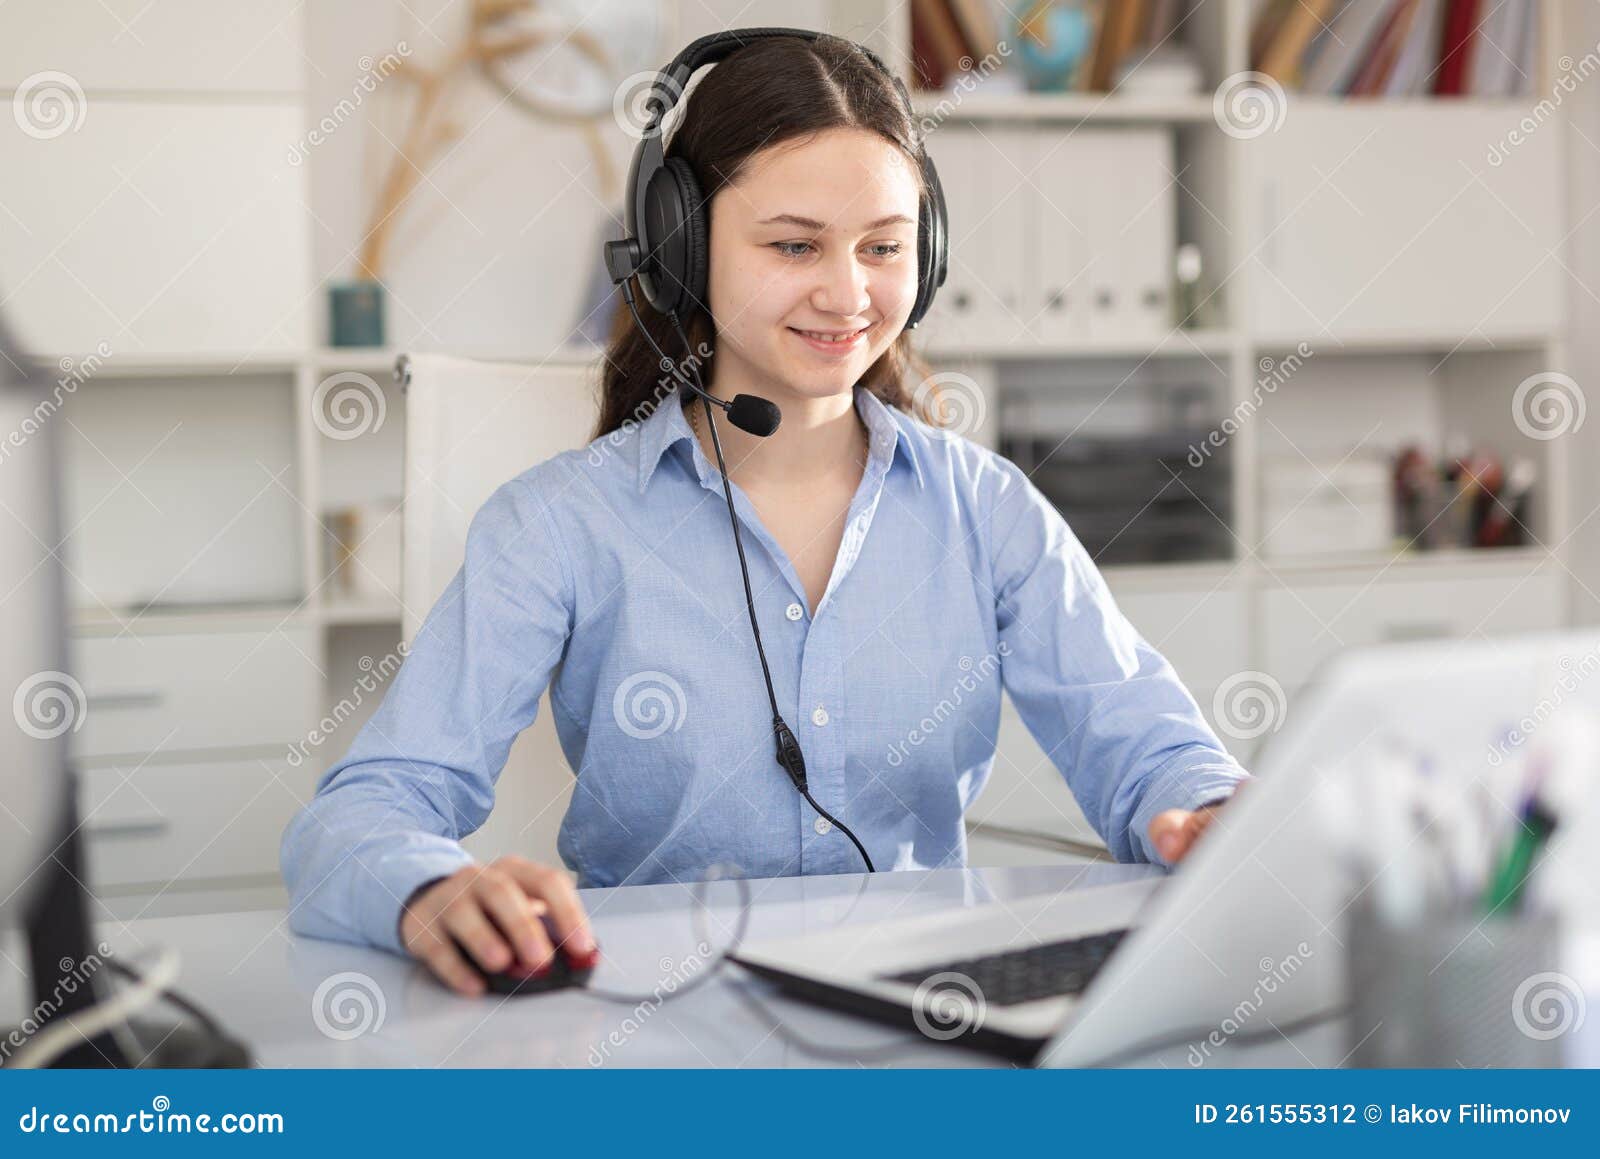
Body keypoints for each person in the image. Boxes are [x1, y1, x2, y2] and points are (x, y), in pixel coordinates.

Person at [280, 32, 1249, 998]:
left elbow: (1151, 751)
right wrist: (429, 888)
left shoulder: (985, 510)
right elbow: (359, 816)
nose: (847, 293)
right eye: (793, 245)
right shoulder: (561, 525)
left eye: (884, 246)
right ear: (680, 246)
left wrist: (1199, 809)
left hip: (924, 1026)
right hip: (655, 1030)